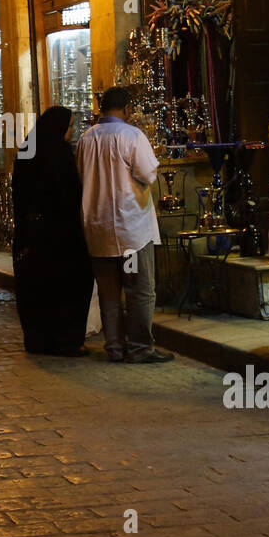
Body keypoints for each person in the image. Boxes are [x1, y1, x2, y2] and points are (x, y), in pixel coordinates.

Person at [76, 86, 173, 364]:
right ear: (127, 108)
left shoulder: (86, 138)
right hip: (131, 234)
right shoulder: (132, 135)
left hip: (98, 231)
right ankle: (140, 348)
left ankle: (115, 348)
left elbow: (81, 177)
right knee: (139, 289)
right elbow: (147, 174)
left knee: (109, 293)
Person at [12, 106, 94, 356]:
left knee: (35, 288)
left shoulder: (27, 150)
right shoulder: (60, 155)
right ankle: (66, 341)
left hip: (30, 233)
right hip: (61, 235)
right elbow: (70, 195)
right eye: (70, 127)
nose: (71, 132)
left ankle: (38, 340)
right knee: (68, 286)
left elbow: (18, 193)